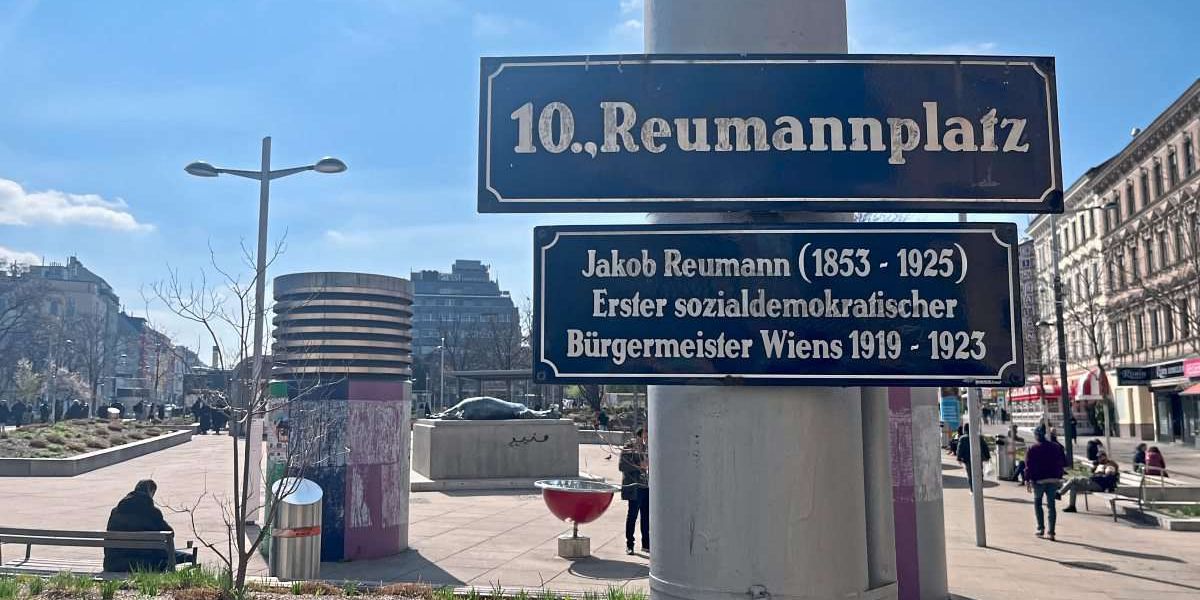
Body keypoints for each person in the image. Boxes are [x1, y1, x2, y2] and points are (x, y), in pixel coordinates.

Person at [103, 480, 195, 571]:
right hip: (147, 563)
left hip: (113, 564)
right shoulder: (152, 512)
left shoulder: (115, 511)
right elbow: (170, 534)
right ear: (150, 492)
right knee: (190, 558)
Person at [1024, 426, 1067, 540]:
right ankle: (1051, 532)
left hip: (1039, 480)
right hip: (1053, 479)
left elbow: (1029, 466)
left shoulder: (1033, 448)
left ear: (1037, 435)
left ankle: (1040, 528)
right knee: (1051, 505)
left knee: (1038, 503)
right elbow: (1063, 462)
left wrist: (1027, 480)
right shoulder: (1056, 447)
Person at [619, 427, 649, 555]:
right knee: (632, 516)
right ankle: (629, 544)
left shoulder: (650, 446)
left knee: (646, 517)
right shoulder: (629, 447)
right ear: (641, 434)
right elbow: (622, 466)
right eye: (647, 435)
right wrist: (639, 466)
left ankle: (646, 544)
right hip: (635, 486)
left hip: (647, 487)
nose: (647, 438)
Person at [955, 423, 991, 493]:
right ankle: (979, 488)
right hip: (978, 458)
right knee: (979, 474)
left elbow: (959, 449)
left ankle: (972, 490)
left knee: (970, 475)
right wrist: (988, 456)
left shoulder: (962, 438)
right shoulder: (979, 437)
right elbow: (985, 447)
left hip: (967, 459)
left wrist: (958, 458)